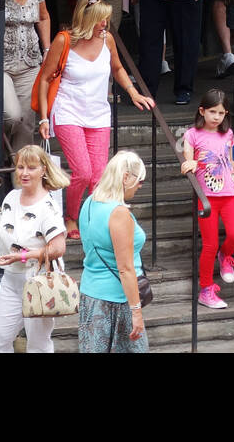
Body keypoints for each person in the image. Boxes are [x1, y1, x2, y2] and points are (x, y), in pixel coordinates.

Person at [36, 0, 155, 234]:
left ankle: (93, 221)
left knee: (99, 176)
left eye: (107, 19)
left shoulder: (107, 39)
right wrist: (44, 117)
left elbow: (118, 68)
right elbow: (45, 79)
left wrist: (133, 93)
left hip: (98, 113)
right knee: (83, 172)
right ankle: (70, 217)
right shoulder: (64, 40)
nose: (105, 24)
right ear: (87, 17)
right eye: (101, 19)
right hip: (68, 111)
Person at [0, 144, 68, 353]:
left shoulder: (48, 207)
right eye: (20, 167)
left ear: (43, 170)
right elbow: (0, 229)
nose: (24, 173)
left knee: (38, 344)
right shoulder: (11, 197)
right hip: (11, 279)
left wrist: (24, 256)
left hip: (38, 280)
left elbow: (58, 247)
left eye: (31, 168)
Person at [181, 89, 234, 310]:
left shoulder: (228, 134)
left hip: (230, 193)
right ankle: (206, 289)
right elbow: (188, 161)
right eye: (212, 111)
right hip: (206, 197)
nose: (216, 117)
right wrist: (191, 163)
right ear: (202, 111)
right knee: (210, 244)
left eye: (221, 113)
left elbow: (228, 161)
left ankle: (226, 255)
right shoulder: (192, 134)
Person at [78, 150, 150, 353]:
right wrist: (136, 311)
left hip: (91, 294)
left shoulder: (90, 203)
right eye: (140, 180)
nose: (140, 186)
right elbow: (125, 269)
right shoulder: (119, 214)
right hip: (118, 299)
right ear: (126, 177)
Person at [3, 0, 50, 154]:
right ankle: (0, 151)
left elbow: (43, 17)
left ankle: (18, 172)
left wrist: (47, 48)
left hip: (30, 62)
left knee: (27, 121)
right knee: (12, 115)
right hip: (2, 63)